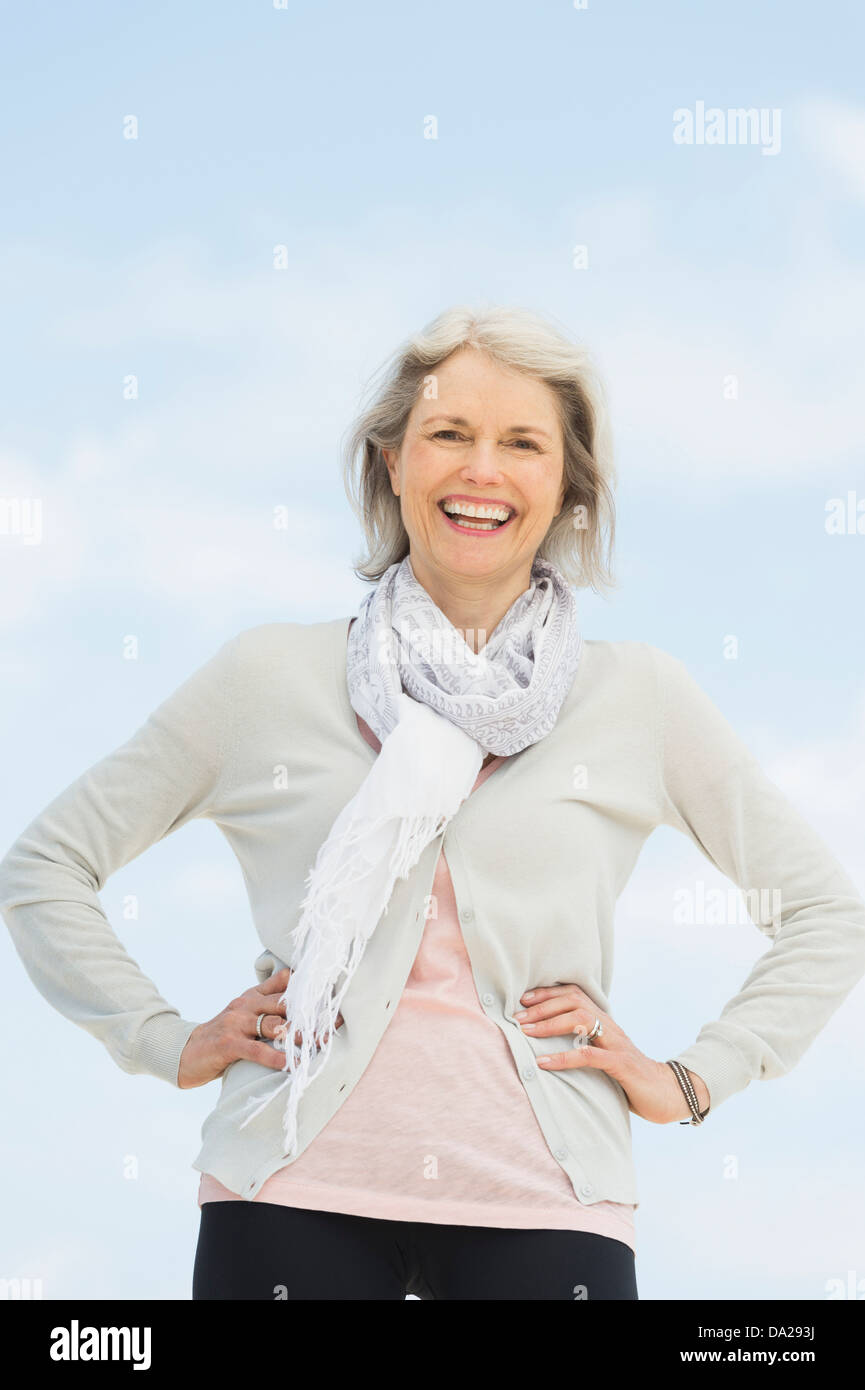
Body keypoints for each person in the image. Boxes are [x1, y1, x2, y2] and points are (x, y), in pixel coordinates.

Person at [2, 304, 864, 1302]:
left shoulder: (639, 699)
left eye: (521, 443)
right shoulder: (269, 677)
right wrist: (165, 1039)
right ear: (391, 462)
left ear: (569, 486)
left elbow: (823, 913)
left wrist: (691, 1079)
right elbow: (44, 866)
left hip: (546, 1202)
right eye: (448, 434)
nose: (480, 470)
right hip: (286, 1192)